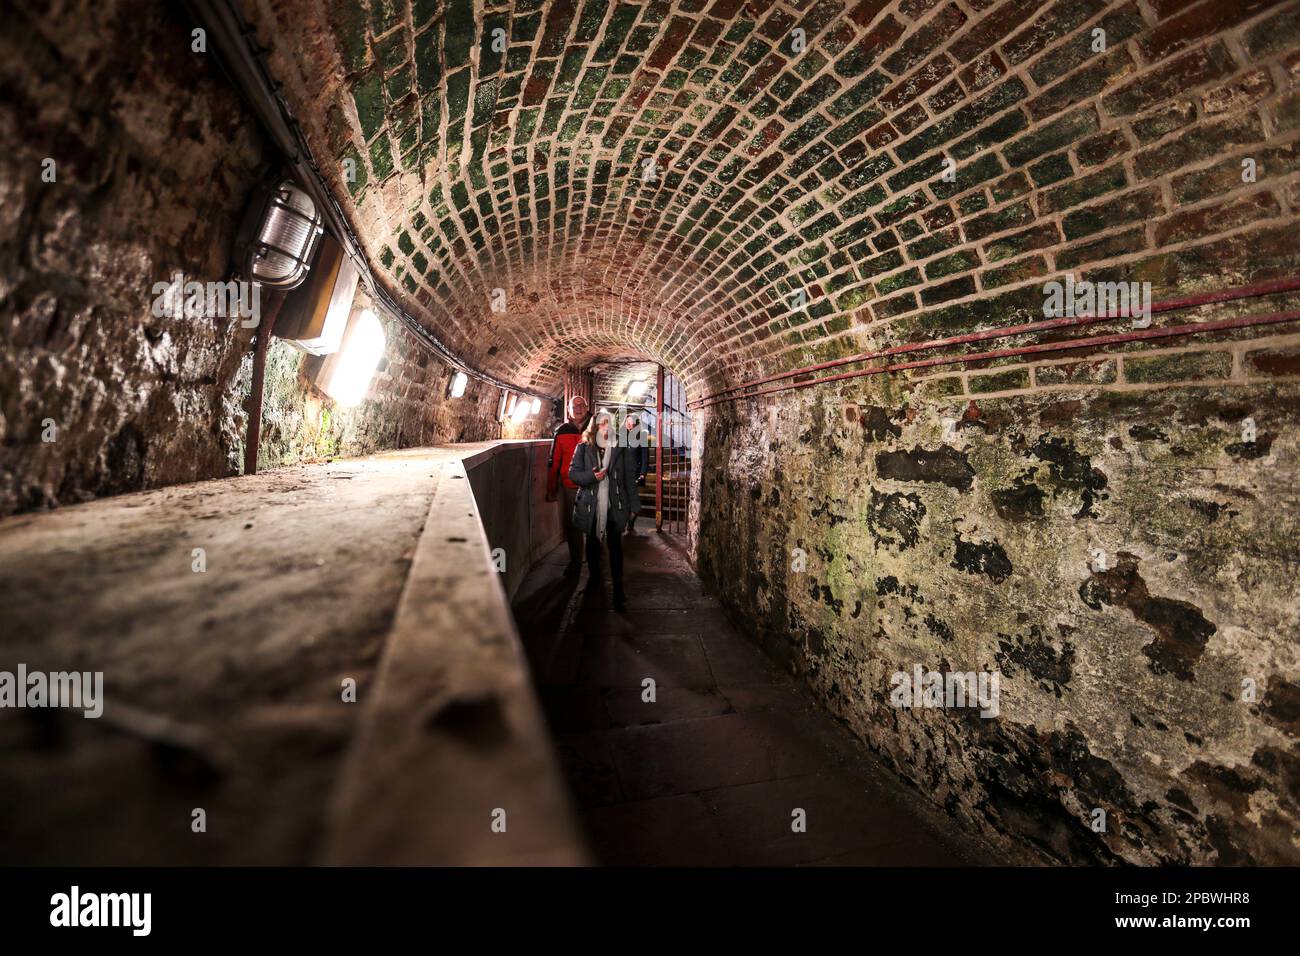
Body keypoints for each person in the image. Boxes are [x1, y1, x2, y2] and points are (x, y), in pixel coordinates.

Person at [568, 409, 640, 612]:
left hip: (614, 506)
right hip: (591, 506)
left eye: (607, 423)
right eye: (601, 423)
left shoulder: (620, 448)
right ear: (594, 427)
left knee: (615, 547)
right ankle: (593, 580)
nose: (605, 427)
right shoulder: (583, 447)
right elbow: (572, 473)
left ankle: (618, 589)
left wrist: (634, 505)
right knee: (591, 545)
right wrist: (592, 477)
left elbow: (628, 478)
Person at [546, 395, 590, 575]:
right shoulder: (562, 431)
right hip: (570, 486)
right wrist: (551, 487)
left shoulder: (597, 428)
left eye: (581, 405)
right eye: (574, 406)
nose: (578, 408)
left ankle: (596, 562)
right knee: (573, 527)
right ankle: (576, 562)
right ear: (569, 410)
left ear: (587, 407)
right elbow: (554, 461)